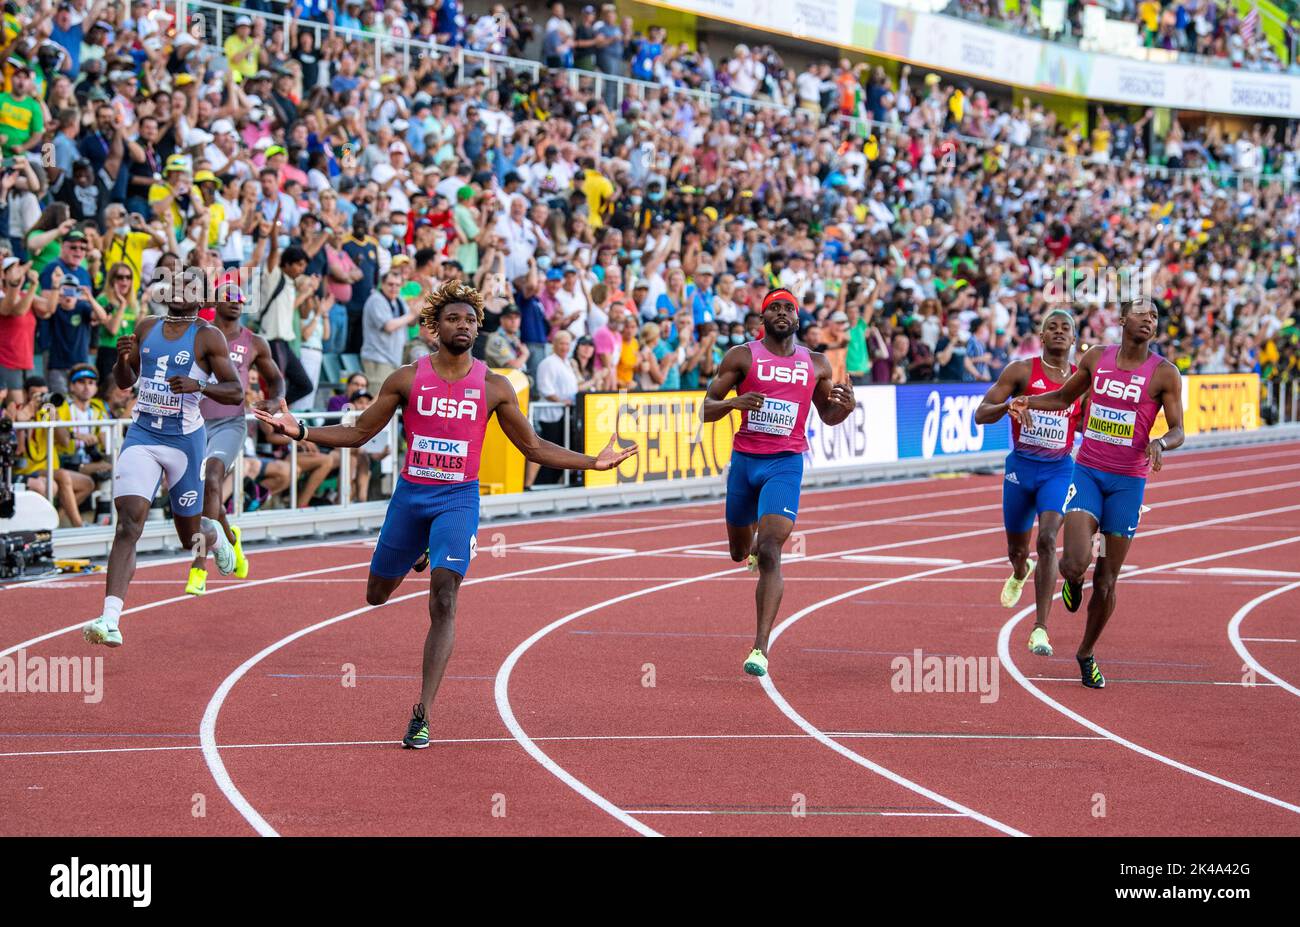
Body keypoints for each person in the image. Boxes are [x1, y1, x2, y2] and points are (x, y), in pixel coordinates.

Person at [253, 281, 636, 748]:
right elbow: (360, 433)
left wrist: (591, 462)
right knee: (376, 595)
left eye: (471, 320)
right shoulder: (406, 378)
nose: (464, 326)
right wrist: (302, 430)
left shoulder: (495, 387)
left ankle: (422, 712)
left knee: (444, 596)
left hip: (458, 499)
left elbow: (533, 447)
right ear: (434, 329)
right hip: (412, 497)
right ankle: (417, 551)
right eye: (454, 319)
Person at [1010, 298, 1185, 688]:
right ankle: (1072, 581)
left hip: (1128, 482)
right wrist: (1026, 401)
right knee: (1073, 562)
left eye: (1155, 316)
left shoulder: (1165, 374)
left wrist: (1160, 444)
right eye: (1143, 314)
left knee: (1106, 581)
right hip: (1088, 471)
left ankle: (1086, 652)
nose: (1150, 320)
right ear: (1123, 320)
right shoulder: (1095, 359)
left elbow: (1178, 430)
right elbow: (1062, 398)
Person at [699, 288, 856, 677]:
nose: (782, 313)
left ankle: (759, 648)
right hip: (744, 463)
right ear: (763, 318)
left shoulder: (816, 363)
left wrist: (846, 409)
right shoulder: (742, 356)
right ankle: (748, 543)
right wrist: (733, 403)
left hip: (785, 464)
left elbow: (828, 415)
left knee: (769, 550)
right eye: (775, 308)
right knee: (740, 552)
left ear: (798, 319)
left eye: (789, 308)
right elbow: (706, 408)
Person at [82, 298, 245, 649]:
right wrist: (122, 359)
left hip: (184, 442)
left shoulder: (209, 336)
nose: (176, 288)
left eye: (186, 283)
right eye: (172, 282)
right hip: (143, 434)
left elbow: (236, 392)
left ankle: (214, 536)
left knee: (190, 537)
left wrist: (198, 386)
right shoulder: (146, 326)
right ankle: (110, 619)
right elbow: (125, 382)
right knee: (128, 522)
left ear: (199, 300)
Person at [975, 309, 1085, 658]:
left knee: (1049, 539)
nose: (1057, 332)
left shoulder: (1082, 381)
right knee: (1018, 552)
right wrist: (1009, 406)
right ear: (1041, 336)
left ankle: (1040, 628)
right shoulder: (1021, 371)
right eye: (1051, 327)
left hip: (1058, 471)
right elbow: (981, 413)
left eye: (1064, 328)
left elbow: (1090, 426)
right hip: (1021, 471)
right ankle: (1021, 571)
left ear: (1073, 338)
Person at [186, 293, 286, 596]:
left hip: (230, 423)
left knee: (212, 476)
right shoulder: (199, 334)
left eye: (241, 298)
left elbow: (276, 379)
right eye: (229, 297)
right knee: (199, 493)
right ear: (215, 303)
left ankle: (198, 565)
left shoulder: (254, 341)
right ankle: (231, 540)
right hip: (194, 422)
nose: (236, 303)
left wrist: (273, 401)